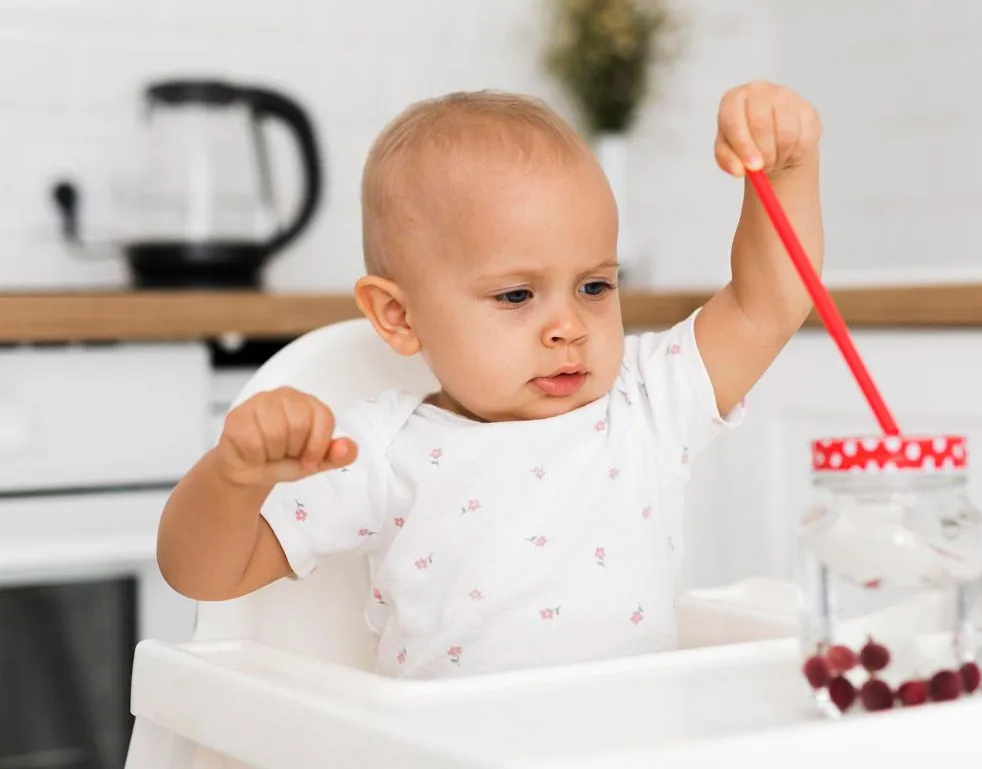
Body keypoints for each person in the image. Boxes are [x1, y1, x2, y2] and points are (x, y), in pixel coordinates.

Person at [157, 81, 824, 679]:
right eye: (515, 296)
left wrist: (788, 169)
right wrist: (232, 479)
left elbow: (767, 304)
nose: (569, 325)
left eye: (594, 286)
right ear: (397, 315)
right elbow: (207, 575)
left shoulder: (647, 399)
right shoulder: (379, 452)